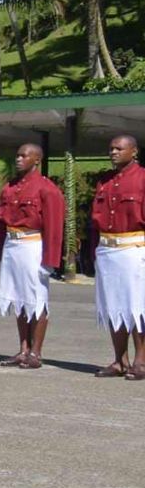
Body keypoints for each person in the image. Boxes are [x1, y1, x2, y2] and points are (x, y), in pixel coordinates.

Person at [0, 143, 63, 370]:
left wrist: (50, 260)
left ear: (37, 160)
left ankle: (36, 351)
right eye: (17, 155)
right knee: (18, 298)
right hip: (12, 246)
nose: (19, 159)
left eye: (25, 155)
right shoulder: (10, 188)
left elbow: (54, 227)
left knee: (36, 299)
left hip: (33, 245)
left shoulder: (46, 189)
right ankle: (23, 348)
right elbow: (1, 223)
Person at [91, 135, 145, 378]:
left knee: (137, 307)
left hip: (133, 248)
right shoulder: (105, 181)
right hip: (107, 250)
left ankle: (140, 361)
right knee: (113, 306)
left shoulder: (143, 178)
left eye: (119, 149)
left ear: (133, 152)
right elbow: (95, 221)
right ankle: (119, 360)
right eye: (111, 148)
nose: (113, 152)